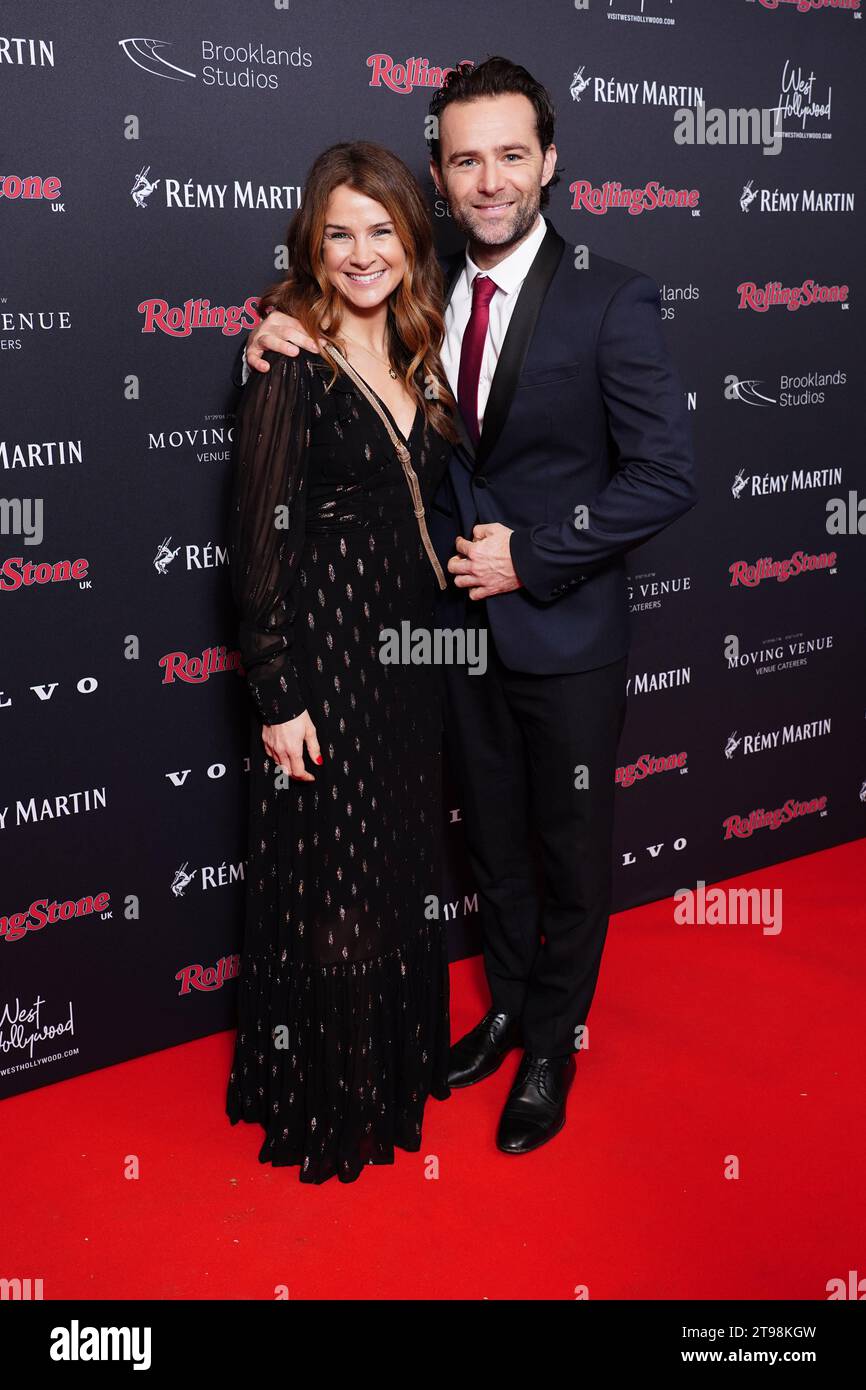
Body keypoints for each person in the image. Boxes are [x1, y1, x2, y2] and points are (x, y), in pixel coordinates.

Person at [238, 56, 697, 1156]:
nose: (486, 180)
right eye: (462, 160)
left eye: (508, 155)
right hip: (441, 638)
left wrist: (532, 557)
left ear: (548, 161)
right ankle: (498, 1008)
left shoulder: (611, 296)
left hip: (564, 628)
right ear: (438, 177)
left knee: (568, 850)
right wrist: (269, 322)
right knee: (487, 840)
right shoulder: (417, 283)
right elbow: (334, 312)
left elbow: (664, 474)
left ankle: (549, 1042)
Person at [225, 141, 459, 1184]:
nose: (362, 254)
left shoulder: (417, 345)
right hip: (326, 664)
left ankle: (394, 1069)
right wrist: (279, 693)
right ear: (310, 246)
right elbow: (257, 545)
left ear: (410, 241)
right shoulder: (291, 361)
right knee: (335, 876)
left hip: (408, 665)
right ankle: (325, 1097)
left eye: (381, 231)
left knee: (395, 866)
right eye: (338, 233)